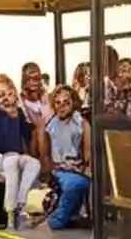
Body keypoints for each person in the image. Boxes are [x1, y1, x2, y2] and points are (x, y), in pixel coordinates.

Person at [32, 85, 90, 231]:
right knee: (75, 184)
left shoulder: (82, 123)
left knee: (81, 181)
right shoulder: (50, 125)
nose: (62, 107)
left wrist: (83, 167)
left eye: (66, 103)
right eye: (58, 103)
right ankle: (55, 220)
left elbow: (88, 153)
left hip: (77, 167)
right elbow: (44, 154)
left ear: (73, 103)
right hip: (58, 169)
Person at [0, 74, 40, 230]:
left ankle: (20, 205)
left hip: (14, 156)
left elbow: (27, 136)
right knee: (11, 161)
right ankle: (9, 211)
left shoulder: (19, 113)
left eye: (9, 94)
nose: (5, 99)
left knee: (33, 163)